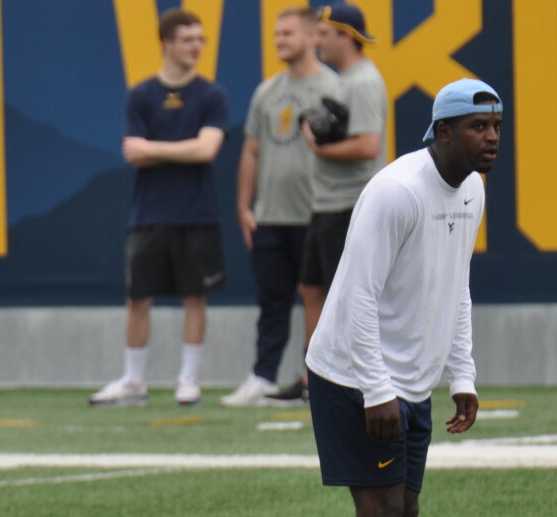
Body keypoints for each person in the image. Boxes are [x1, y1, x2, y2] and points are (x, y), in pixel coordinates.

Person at [305, 79, 504, 517]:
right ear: (442, 132)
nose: (492, 137)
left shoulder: (472, 188)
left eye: (497, 125)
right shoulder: (394, 192)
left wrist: (462, 373)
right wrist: (378, 389)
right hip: (354, 378)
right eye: (478, 127)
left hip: (407, 382)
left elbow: (456, 286)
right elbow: (358, 296)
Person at [91, 8, 229, 409]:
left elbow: (207, 149)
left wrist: (153, 148)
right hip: (148, 214)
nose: (196, 47)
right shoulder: (141, 94)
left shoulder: (212, 95)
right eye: (188, 40)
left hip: (197, 213)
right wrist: (170, 151)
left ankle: (188, 381)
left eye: (200, 40)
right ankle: (134, 382)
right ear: (167, 43)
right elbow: (133, 154)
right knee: (138, 299)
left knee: (195, 298)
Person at [273, 1, 388, 403]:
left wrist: (319, 147)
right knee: (311, 288)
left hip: (349, 203)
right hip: (326, 204)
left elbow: (368, 145)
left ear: (346, 37)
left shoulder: (364, 82)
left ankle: (350, 379)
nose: (317, 41)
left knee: (347, 294)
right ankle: (313, 380)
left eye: (324, 34)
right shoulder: (345, 80)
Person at [222, 8, 336, 408]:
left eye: (287, 33)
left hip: (315, 214)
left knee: (319, 300)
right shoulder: (266, 91)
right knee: (272, 302)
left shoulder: (333, 88)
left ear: (311, 37)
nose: (279, 40)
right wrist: (244, 204)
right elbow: (251, 150)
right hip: (270, 216)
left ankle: (316, 379)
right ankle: (262, 376)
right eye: (276, 33)